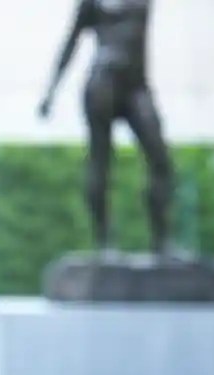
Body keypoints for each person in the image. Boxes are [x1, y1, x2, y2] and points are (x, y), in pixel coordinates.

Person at [38, 0, 174, 255]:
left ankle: (161, 242)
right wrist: (51, 91)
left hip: (136, 86)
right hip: (104, 82)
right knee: (100, 162)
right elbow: (71, 42)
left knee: (161, 161)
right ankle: (103, 243)